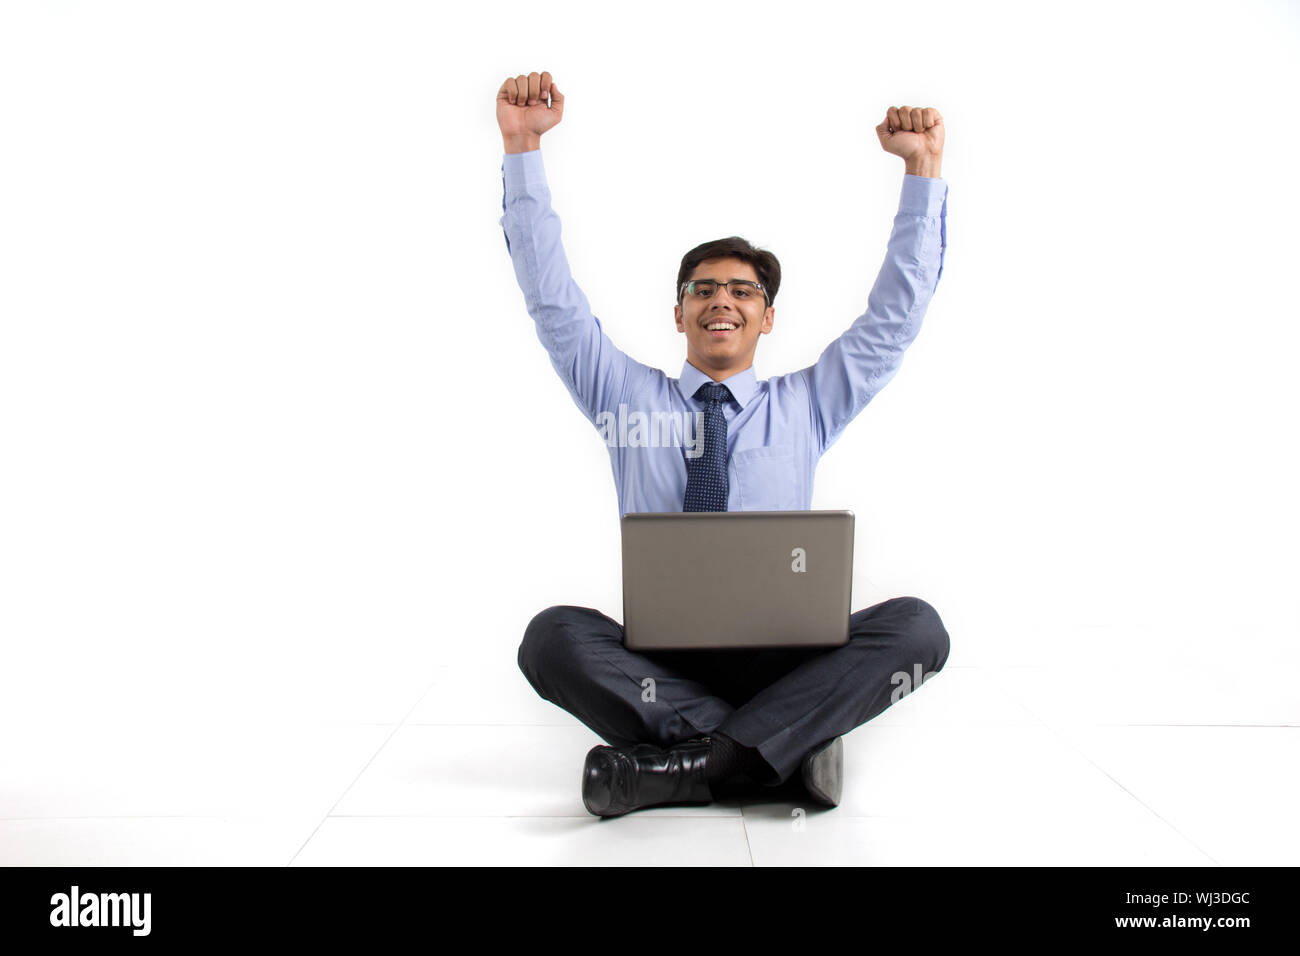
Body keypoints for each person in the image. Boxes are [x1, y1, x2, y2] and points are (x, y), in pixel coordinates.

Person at [498, 71, 951, 818]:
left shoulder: (806, 404)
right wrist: (522, 147)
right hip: (662, 665)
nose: (722, 301)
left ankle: (688, 764)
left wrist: (921, 172)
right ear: (679, 312)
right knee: (550, 639)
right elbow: (554, 300)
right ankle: (779, 751)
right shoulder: (623, 397)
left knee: (919, 628)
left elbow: (894, 318)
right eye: (704, 289)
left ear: (765, 319)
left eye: (743, 292)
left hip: (786, 662)